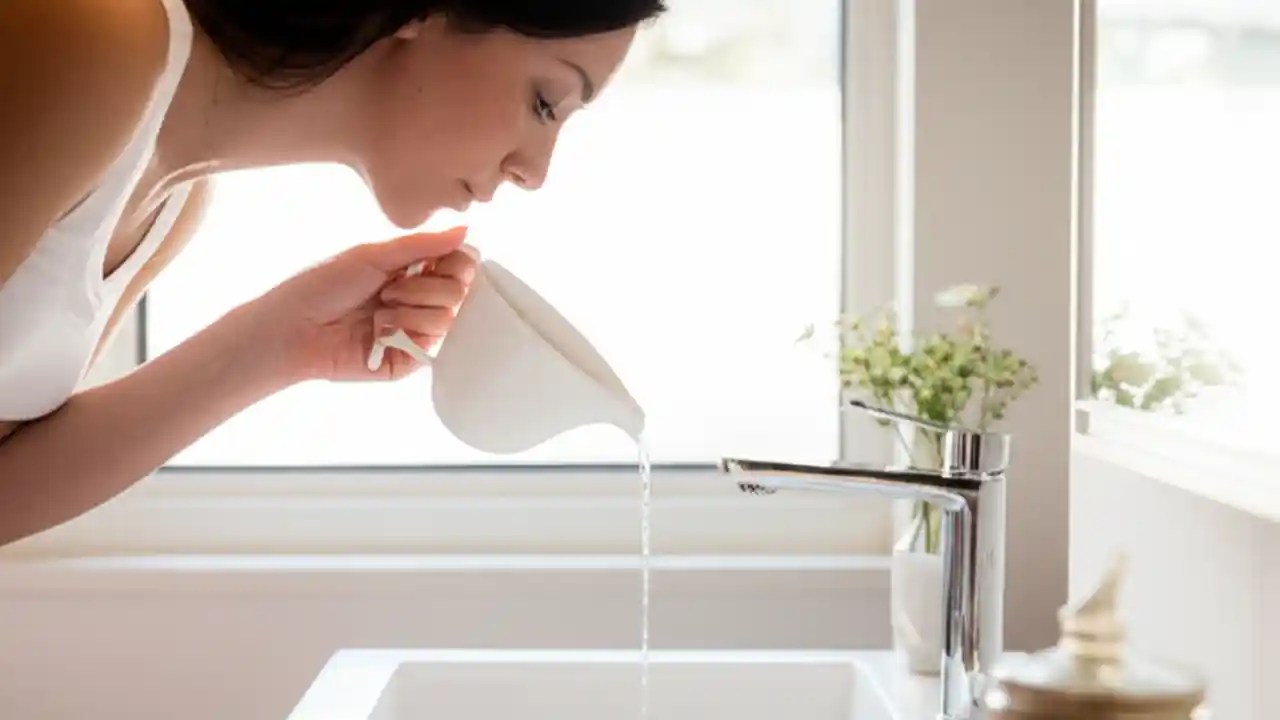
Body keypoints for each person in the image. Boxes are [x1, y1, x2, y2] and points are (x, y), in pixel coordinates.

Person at [0, 0, 666, 547]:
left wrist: (282, 341)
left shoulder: (171, 206)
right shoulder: (98, 38)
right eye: (546, 102)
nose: (535, 171)